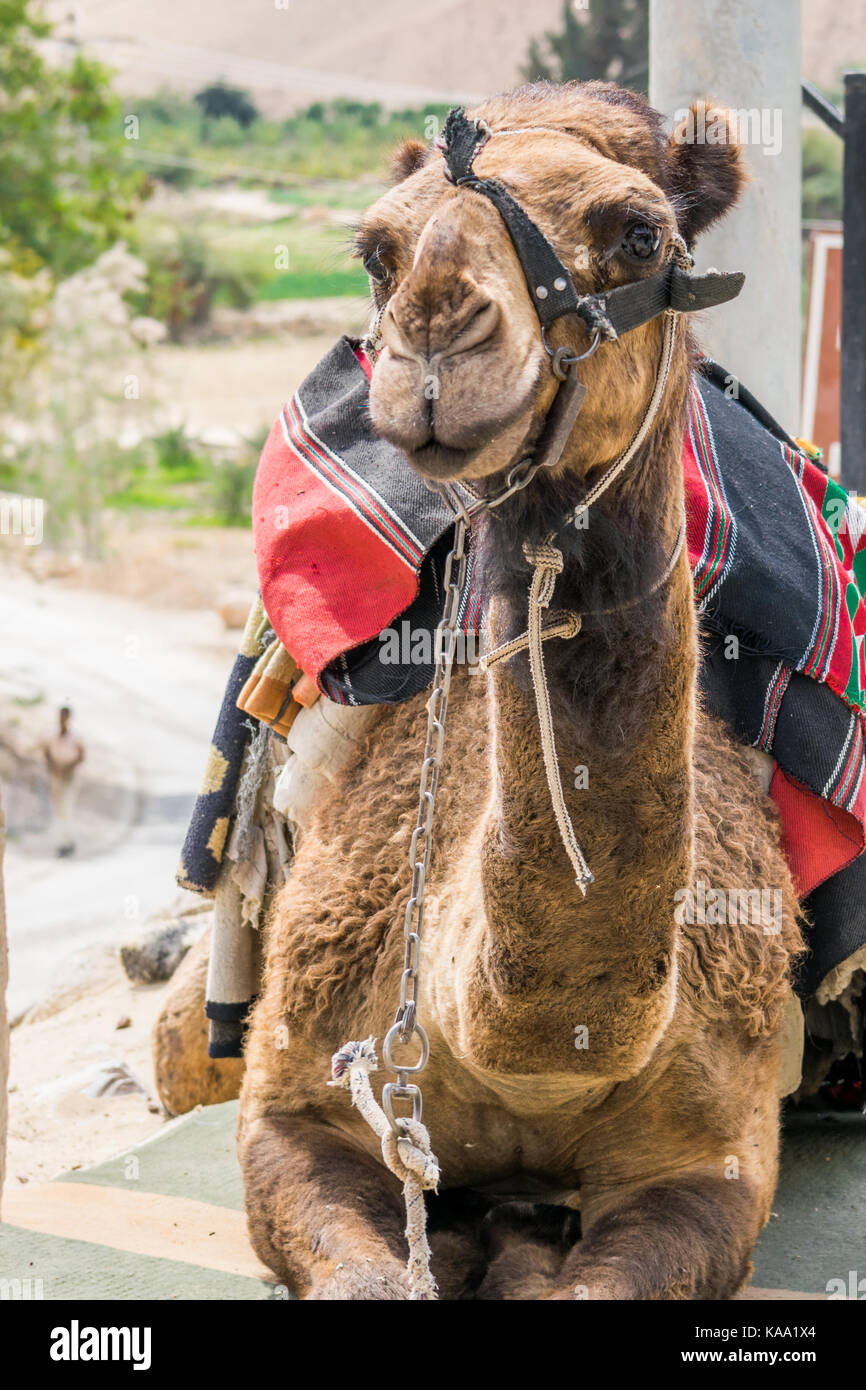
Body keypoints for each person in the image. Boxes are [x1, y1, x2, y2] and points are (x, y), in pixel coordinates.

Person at [42, 706, 85, 857]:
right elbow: (46, 750)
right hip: (56, 775)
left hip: (70, 776)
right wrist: (52, 766)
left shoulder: (75, 735)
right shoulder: (52, 733)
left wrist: (68, 767)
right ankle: (61, 842)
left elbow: (81, 755)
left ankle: (68, 841)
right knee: (58, 809)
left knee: (67, 807)